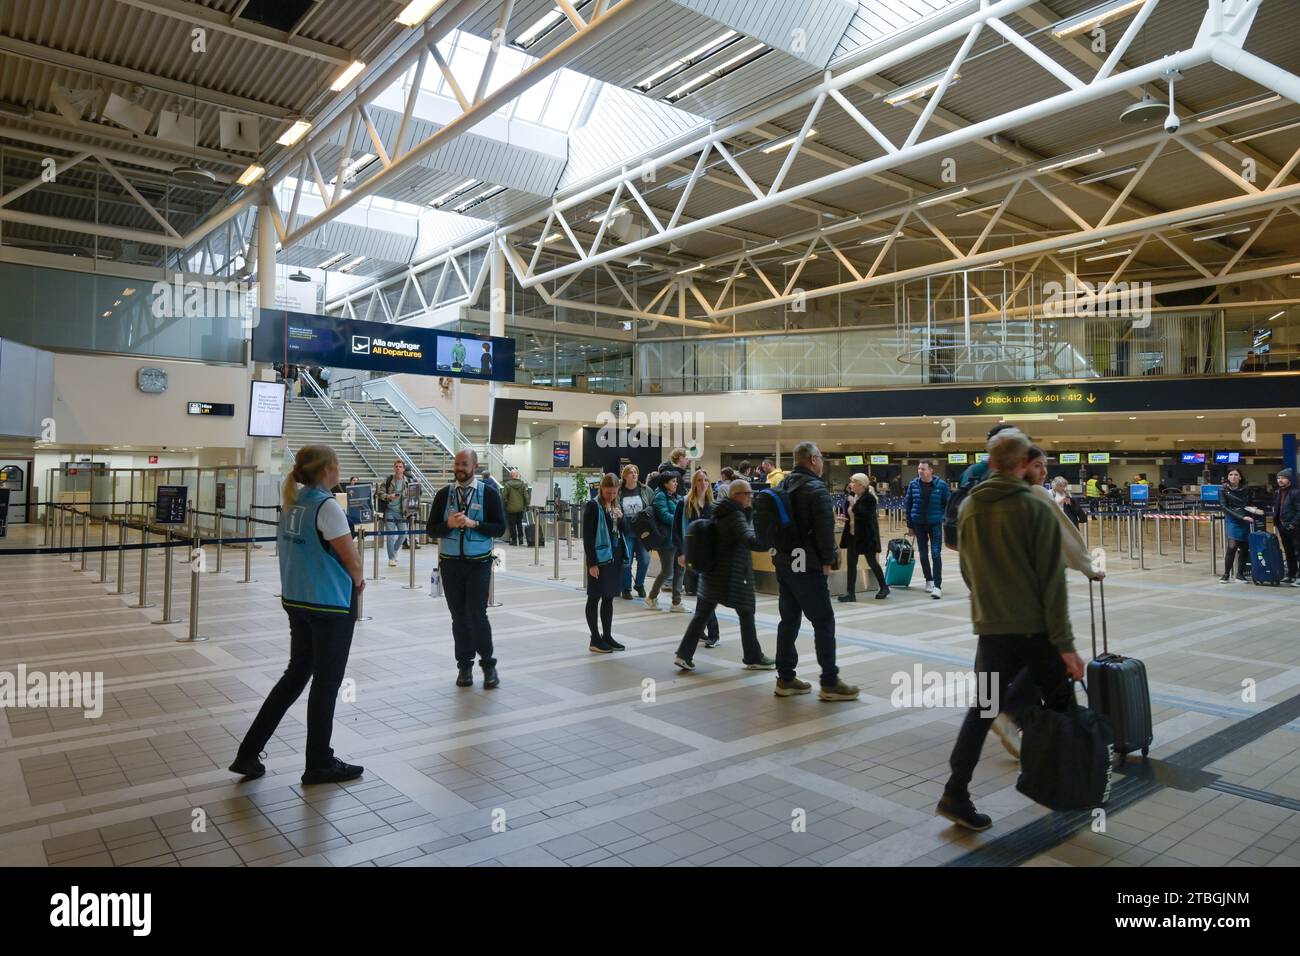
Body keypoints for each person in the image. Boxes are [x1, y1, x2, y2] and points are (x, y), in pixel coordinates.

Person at [938, 428, 1084, 831]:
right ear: (1022, 464)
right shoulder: (1034, 506)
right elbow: (1051, 583)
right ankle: (1066, 784)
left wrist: (988, 608)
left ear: (990, 462)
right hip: (1034, 631)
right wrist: (1066, 646)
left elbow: (968, 568)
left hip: (991, 628)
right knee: (1058, 701)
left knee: (983, 708)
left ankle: (956, 792)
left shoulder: (970, 506)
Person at [230, 445, 365, 785]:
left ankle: (248, 752)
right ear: (326, 471)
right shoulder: (327, 506)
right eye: (336, 466)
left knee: (295, 676)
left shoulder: (295, 502)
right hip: (329, 605)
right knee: (326, 683)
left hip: (298, 602)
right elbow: (351, 559)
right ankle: (319, 761)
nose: (339, 470)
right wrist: (360, 583)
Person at [987, 445, 1103, 759]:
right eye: (1039, 466)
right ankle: (1011, 714)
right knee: (1047, 656)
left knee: (1021, 659)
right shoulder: (1035, 495)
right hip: (1032, 595)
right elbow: (1067, 537)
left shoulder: (994, 495)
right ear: (1023, 466)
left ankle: (1028, 727)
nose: (1044, 472)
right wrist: (1089, 567)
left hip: (997, 596)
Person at [772, 441, 859, 701]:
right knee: (823, 621)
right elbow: (824, 528)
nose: (822, 462)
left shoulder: (782, 485)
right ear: (811, 459)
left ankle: (785, 678)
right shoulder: (815, 488)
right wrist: (829, 559)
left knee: (789, 620)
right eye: (820, 457)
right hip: (807, 564)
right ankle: (830, 682)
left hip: (785, 562)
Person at [674, 480, 776, 671]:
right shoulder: (735, 514)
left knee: (701, 615)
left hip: (712, 574)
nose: (750, 496)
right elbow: (749, 540)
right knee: (746, 612)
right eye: (747, 493)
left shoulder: (720, 511)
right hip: (732, 576)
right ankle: (753, 657)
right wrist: (771, 541)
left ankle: (683, 654)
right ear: (736, 495)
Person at [427, 449, 506, 688]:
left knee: (478, 615)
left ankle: (489, 666)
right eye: (457, 464)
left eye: (464, 464)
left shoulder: (489, 494)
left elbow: (500, 528)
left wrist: (475, 523)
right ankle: (464, 667)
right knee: (459, 617)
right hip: (451, 564)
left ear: (474, 466)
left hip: (479, 564)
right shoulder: (444, 494)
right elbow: (431, 529)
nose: (459, 468)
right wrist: (448, 525)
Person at [674, 469, 719, 645]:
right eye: (700, 480)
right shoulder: (684, 504)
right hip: (692, 554)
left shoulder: (712, 505)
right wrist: (680, 552)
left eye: (706, 480)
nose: (703, 483)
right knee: (702, 594)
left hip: (708, 556)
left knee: (705, 595)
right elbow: (677, 530)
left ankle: (713, 633)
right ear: (694, 483)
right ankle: (702, 630)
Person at [584, 474, 627, 653]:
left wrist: (622, 518)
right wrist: (591, 564)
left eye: (614, 493)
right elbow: (587, 536)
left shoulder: (616, 504)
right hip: (600, 558)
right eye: (608, 492)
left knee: (609, 597)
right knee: (595, 596)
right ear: (601, 489)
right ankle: (595, 638)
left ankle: (607, 635)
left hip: (614, 556)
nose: (610, 496)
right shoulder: (593, 506)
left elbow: (626, 530)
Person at [903, 460, 951, 599]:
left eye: (923, 469)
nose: (920, 471)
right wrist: (910, 525)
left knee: (936, 553)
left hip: (935, 523)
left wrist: (942, 517)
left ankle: (937, 586)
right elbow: (908, 504)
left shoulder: (941, 485)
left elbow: (947, 503)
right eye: (919, 468)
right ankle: (928, 580)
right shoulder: (913, 484)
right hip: (919, 524)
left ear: (931, 470)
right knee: (923, 554)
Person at [839, 472, 887, 602]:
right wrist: (844, 518)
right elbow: (850, 515)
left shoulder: (869, 499)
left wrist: (853, 505)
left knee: (872, 562)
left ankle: (884, 587)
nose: (850, 485)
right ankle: (850, 593)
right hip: (852, 535)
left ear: (861, 485)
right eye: (851, 482)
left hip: (866, 536)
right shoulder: (851, 497)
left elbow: (864, 517)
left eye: (853, 482)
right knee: (851, 564)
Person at [646, 472, 685, 611]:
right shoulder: (660, 496)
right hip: (666, 540)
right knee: (667, 571)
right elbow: (664, 515)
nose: (676, 484)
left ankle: (676, 602)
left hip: (677, 539)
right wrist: (680, 520)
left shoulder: (675, 496)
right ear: (665, 483)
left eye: (676, 481)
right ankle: (651, 597)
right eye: (673, 481)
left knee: (680, 570)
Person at [616, 464, 653, 599]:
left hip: (643, 531)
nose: (634, 474)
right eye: (631, 472)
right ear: (625, 476)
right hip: (626, 531)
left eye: (635, 472)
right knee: (627, 561)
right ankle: (626, 588)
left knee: (644, 560)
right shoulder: (619, 492)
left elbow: (652, 507)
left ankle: (639, 584)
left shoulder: (645, 490)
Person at [1220, 467, 1255, 583]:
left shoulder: (1246, 489)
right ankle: (1226, 574)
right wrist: (1241, 516)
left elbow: (1249, 503)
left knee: (1245, 547)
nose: (1233, 477)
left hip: (1246, 519)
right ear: (1227, 477)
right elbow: (1224, 507)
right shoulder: (1223, 490)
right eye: (1231, 474)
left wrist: (1252, 510)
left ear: (1240, 477)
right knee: (1232, 547)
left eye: (1236, 475)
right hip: (1233, 520)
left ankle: (1240, 574)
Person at [379, 460, 410, 566]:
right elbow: (379, 493)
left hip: (402, 512)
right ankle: (391, 558)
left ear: (403, 469)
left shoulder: (408, 481)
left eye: (400, 466)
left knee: (403, 534)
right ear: (394, 468)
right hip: (389, 512)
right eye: (396, 466)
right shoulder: (388, 480)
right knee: (390, 536)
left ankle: (394, 550)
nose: (398, 468)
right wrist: (389, 496)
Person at [1274, 468, 1300, 584]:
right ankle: (1291, 574)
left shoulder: (1296, 492)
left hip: (1294, 528)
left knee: (1298, 551)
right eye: (1278, 478)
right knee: (1288, 551)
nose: (1280, 480)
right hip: (1282, 526)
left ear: (1289, 479)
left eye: (1283, 478)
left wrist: (1293, 524)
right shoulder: (1278, 492)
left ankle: (1299, 576)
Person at [502, 469, 531, 546]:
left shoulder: (507, 485)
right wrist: (527, 505)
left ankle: (514, 540)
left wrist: (506, 502)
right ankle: (521, 539)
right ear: (517, 476)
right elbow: (526, 496)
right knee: (519, 523)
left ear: (510, 476)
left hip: (511, 508)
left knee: (512, 524)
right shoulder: (522, 484)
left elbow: (504, 496)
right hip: (520, 508)